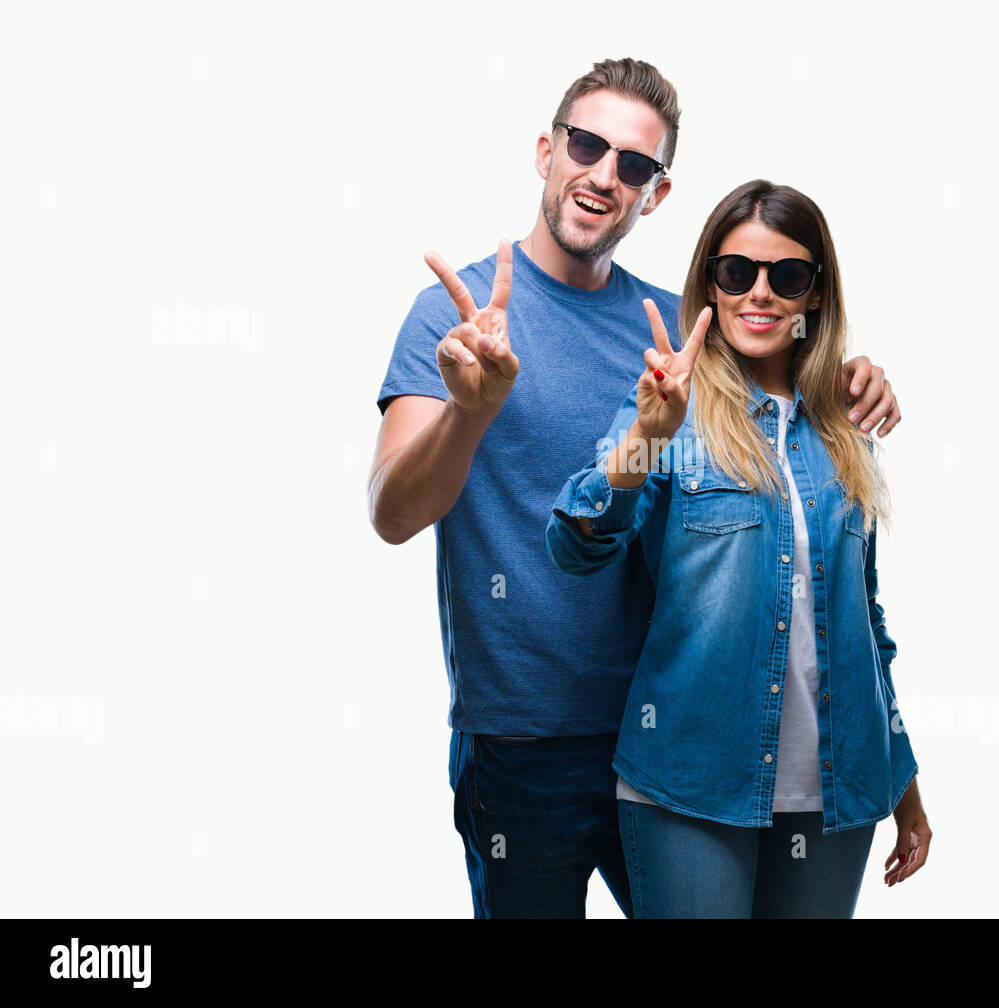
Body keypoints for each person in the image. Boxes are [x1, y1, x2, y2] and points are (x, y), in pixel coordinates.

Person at [370, 59, 905, 919]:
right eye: (587, 145)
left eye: (634, 164)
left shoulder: (682, 326)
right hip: (522, 738)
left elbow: (783, 399)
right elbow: (393, 515)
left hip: (682, 735)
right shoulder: (457, 316)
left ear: (655, 194)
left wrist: (847, 377)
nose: (603, 174)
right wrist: (469, 411)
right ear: (547, 150)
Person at [546, 179, 931, 918]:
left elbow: (866, 626)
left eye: (787, 276)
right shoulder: (669, 409)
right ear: (711, 286)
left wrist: (905, 785)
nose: (760, 294)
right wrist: (644, 440)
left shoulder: (846, 429)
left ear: (814, 294)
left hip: (838, 795)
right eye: (736, 273)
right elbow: (578, 545)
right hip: (690, 782)